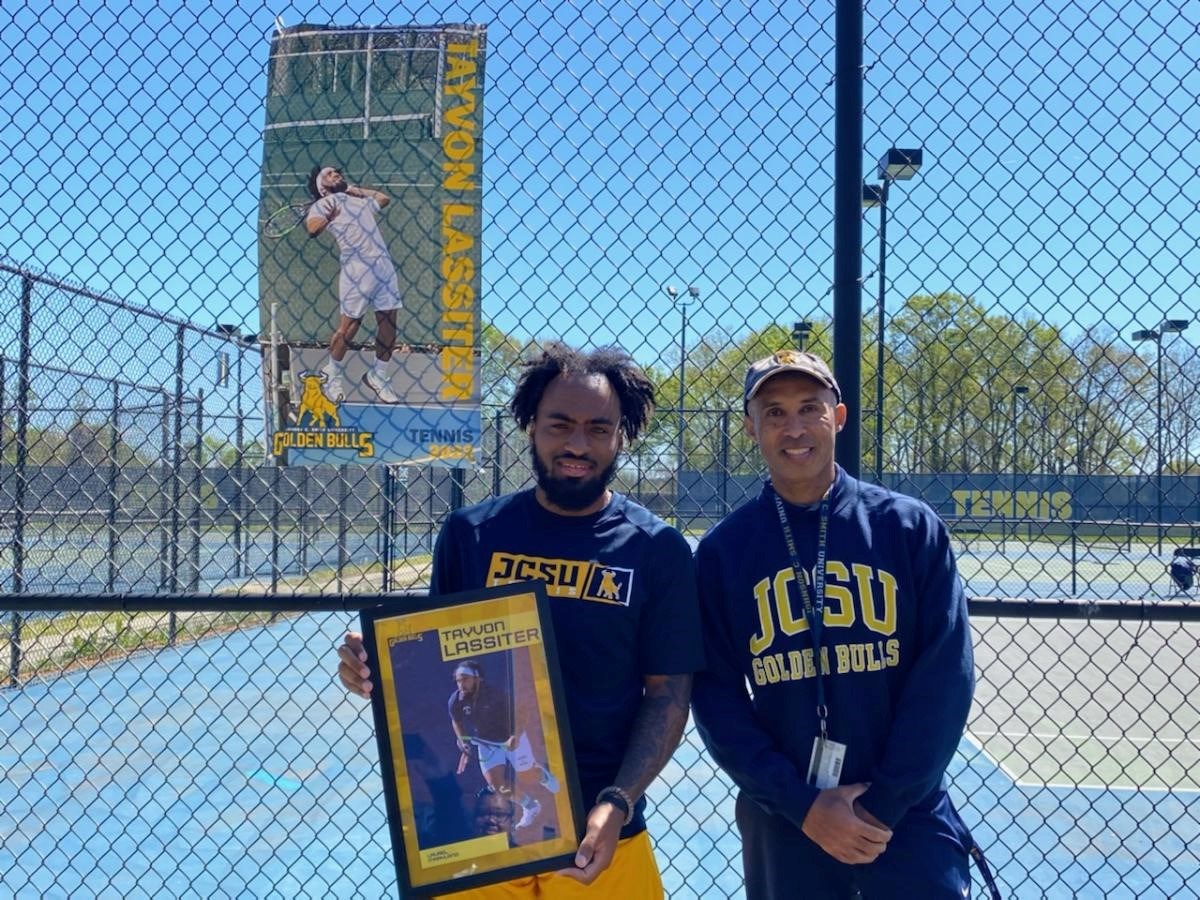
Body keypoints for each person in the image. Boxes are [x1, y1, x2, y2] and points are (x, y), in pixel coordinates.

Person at [337, 342, 704, 899]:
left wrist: (618, 800)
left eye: (599, 429)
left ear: (620, 436)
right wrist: (382, 667)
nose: (578, 444)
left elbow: (669, 693)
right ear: (531, 427)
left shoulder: (658, 549)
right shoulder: (473, 534)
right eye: (560, 424)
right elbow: (440, 660)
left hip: (601, 835)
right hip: (480, 837)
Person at [690, 350, 991, 899]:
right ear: (750, 425)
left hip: (903, 812)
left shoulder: (905, 527)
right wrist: (803, 806)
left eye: (810, 408)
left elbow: (946, 677)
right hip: (786, 815)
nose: (795, 427)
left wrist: (880, 807)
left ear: (840, 416)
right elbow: (716, 698)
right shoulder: (723, 552)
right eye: (774, 412)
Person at [305, 164, 402, 404]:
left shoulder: (357, 201)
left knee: (389, 326)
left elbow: (383, 198)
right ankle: (333, 373)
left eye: (336, 172)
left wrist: (351, 188)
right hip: (356, 269)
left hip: (384, 267)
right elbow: (312, 228)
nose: (335, 173)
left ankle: (378, 375)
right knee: (349, 328)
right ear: (321, 187)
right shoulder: (324, 204)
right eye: (328, 174)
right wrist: (328, 215)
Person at [448, 658, 561, 830]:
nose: (460, 683)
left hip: (512, 736)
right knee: (498, 786)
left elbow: (522, 714)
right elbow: (456, 721)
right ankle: (531, 807)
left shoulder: (496, 694)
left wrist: (514, 737)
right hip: (486, 743)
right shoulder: (456, 700)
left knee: (528, 776)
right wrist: (463, 741)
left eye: (465, 679)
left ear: (478, 678)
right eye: (458, 680)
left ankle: (543, 775)